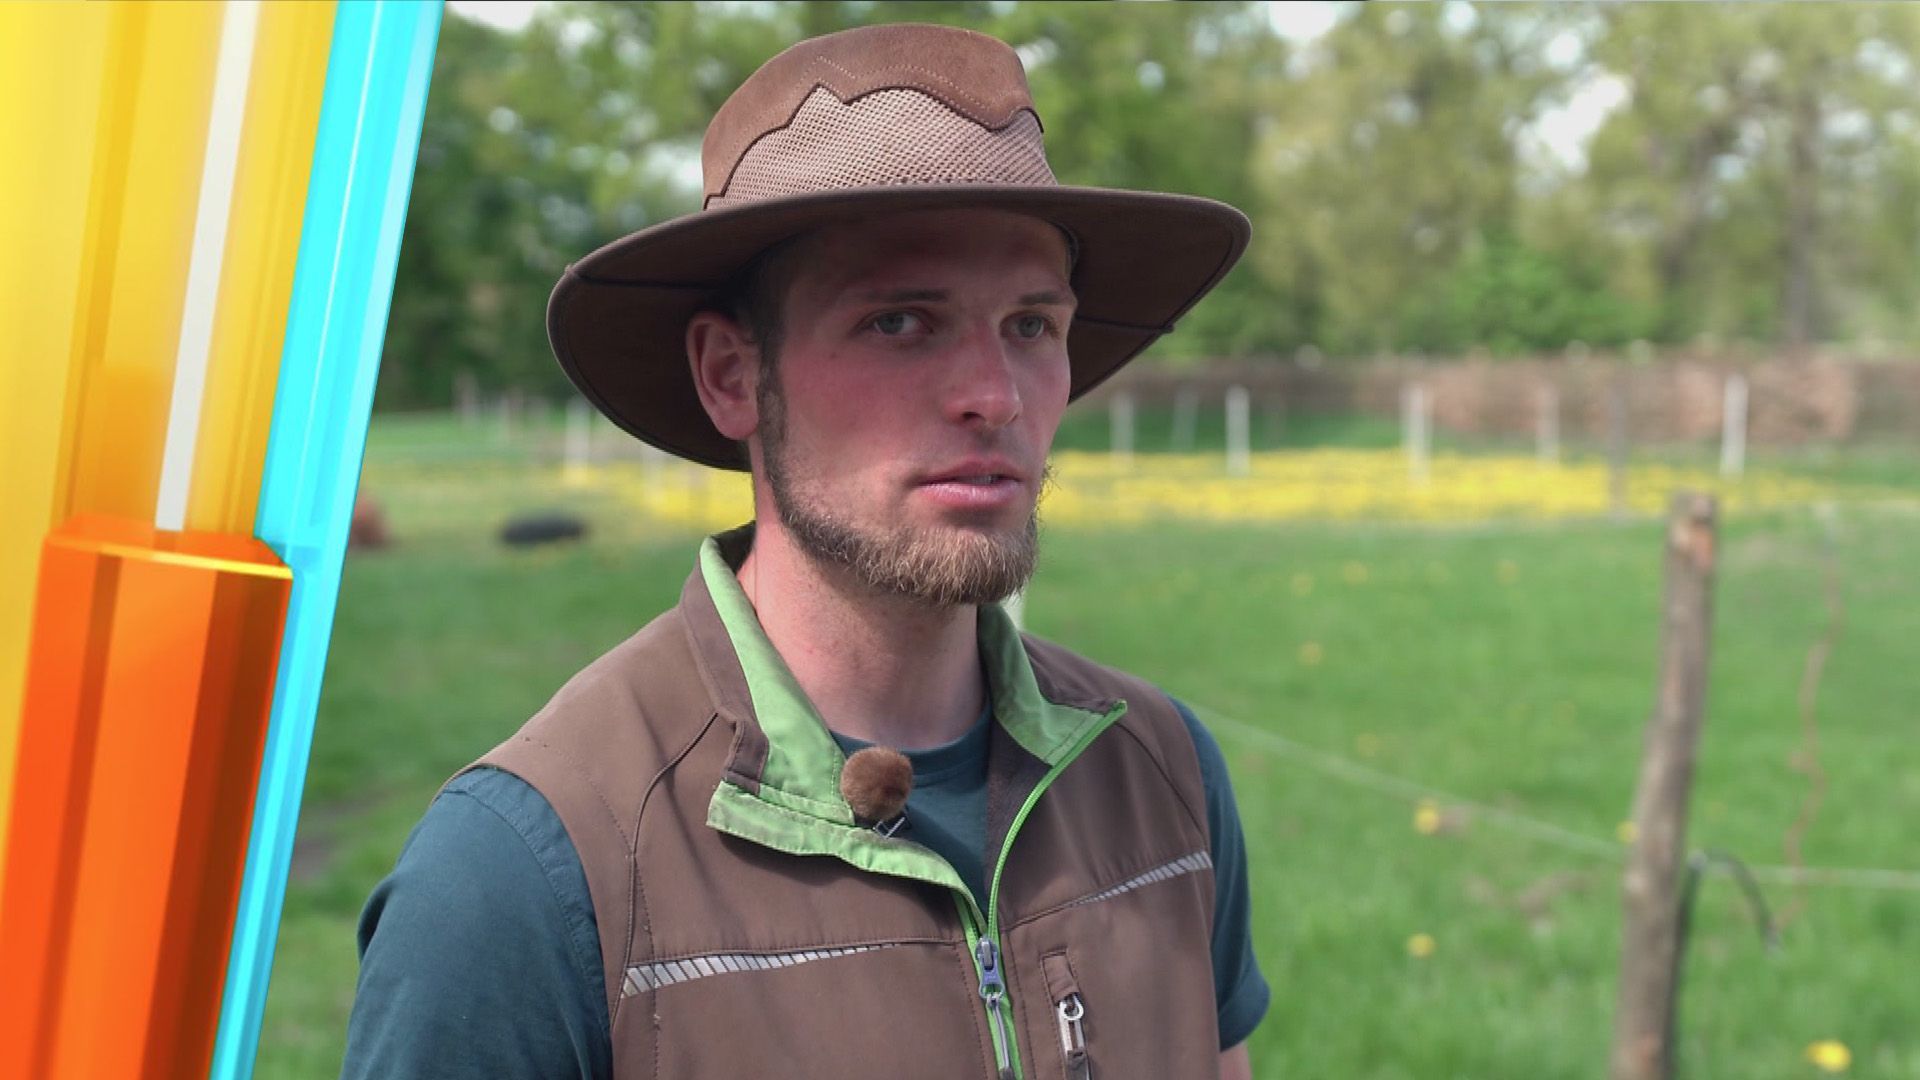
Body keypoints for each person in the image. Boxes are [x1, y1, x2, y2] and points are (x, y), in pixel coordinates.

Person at [343, 22, 1267, 1080]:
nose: (996, 395)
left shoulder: (1162, 777)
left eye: (1030, 325)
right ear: (733, 376)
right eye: (900, 324)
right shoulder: (526, 876)